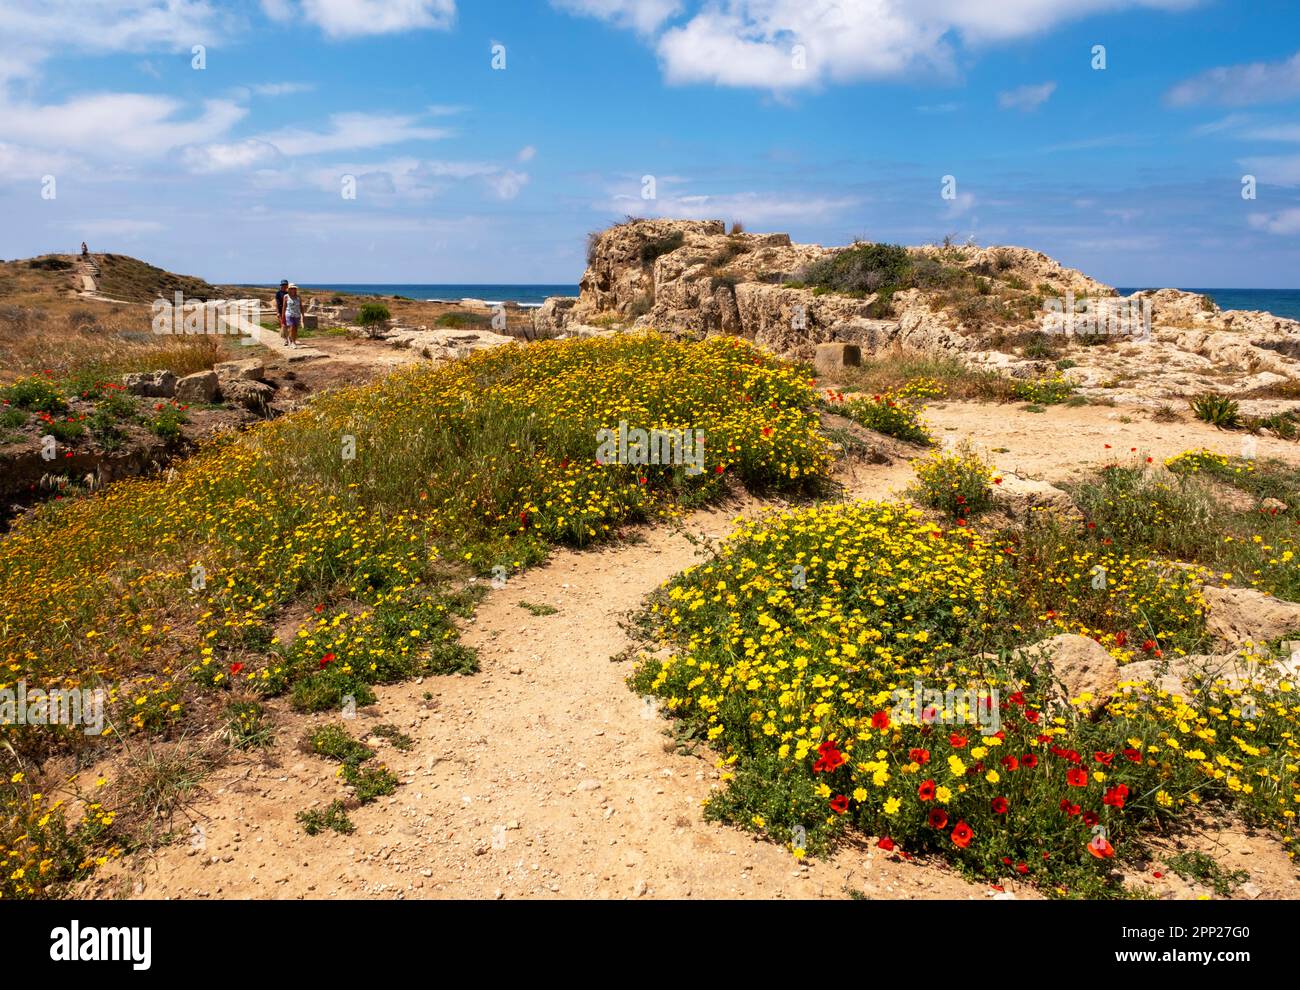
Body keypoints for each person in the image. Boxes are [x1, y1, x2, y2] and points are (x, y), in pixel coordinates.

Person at [283, 283, 303, 348]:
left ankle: (290, 338)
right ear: (289, 289)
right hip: (289, 314)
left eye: (294, 288)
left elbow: (301, 306)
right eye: (291, 288)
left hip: (297, 314)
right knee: (292, 327)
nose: (293, 289)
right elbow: (284, 306)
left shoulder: (298, 297)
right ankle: (293, 343)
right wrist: (283, 316)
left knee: (295, 329)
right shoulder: (286, 296)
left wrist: (303, 315)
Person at [274, 279, 290, 343]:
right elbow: (277, 304)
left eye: (285, 285)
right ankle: (285, 339)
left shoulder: (288, 293)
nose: (284, 286)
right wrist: (278, 312)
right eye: (283, 285)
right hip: (281, 311)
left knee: (288, 325)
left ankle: (288, 337)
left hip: (288, 311)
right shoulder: (278, 293)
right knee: (283, 325)